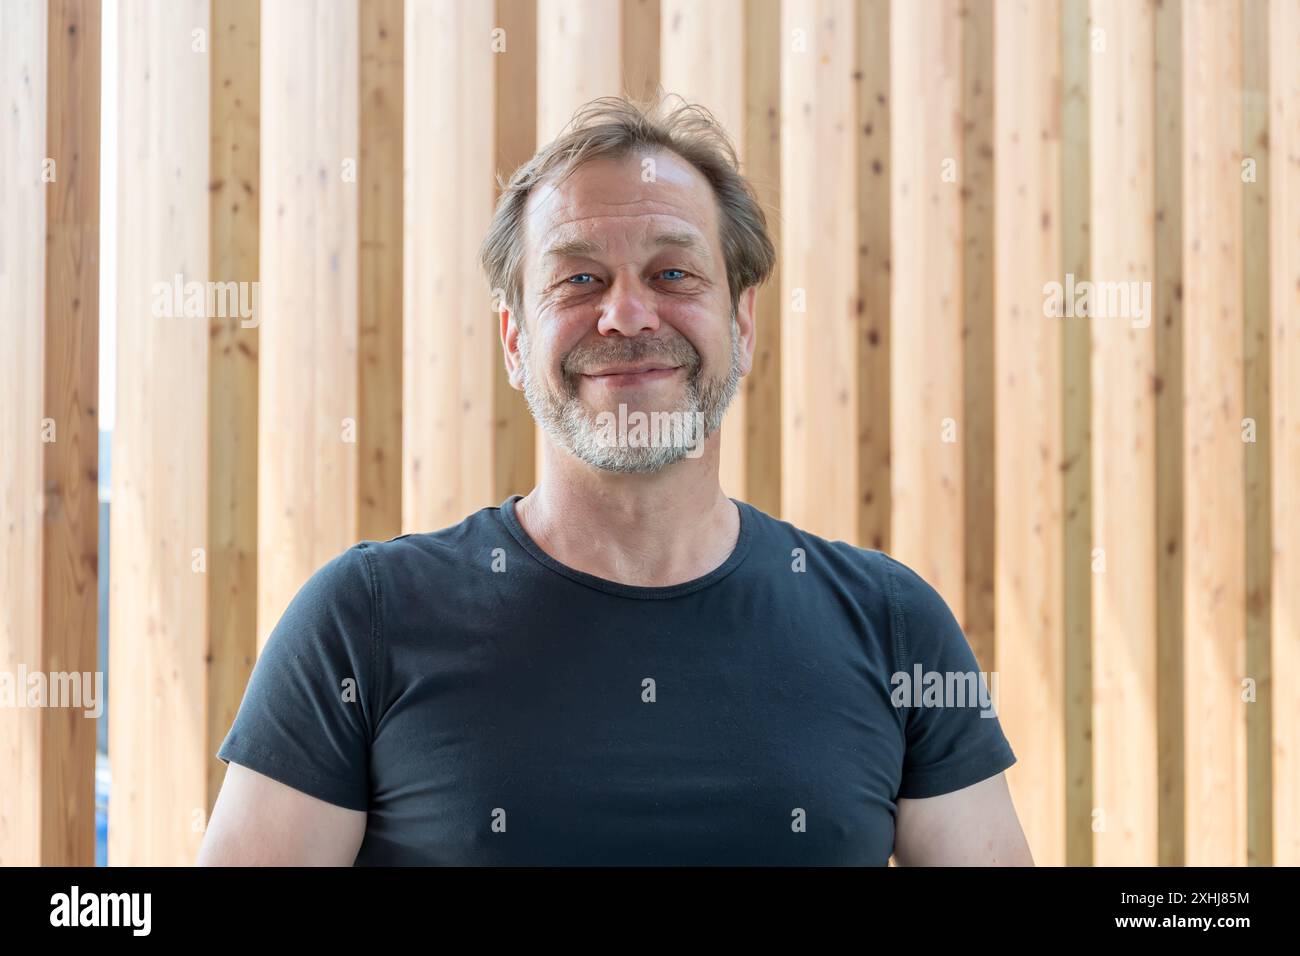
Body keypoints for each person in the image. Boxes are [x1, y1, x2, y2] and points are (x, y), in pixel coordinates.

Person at [198, 95, 1033, 866]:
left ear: (741, 325)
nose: (627, 313)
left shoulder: (892, 624)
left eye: (673, 274)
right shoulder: (362, 621)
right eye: (578, 279)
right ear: (515, 340)